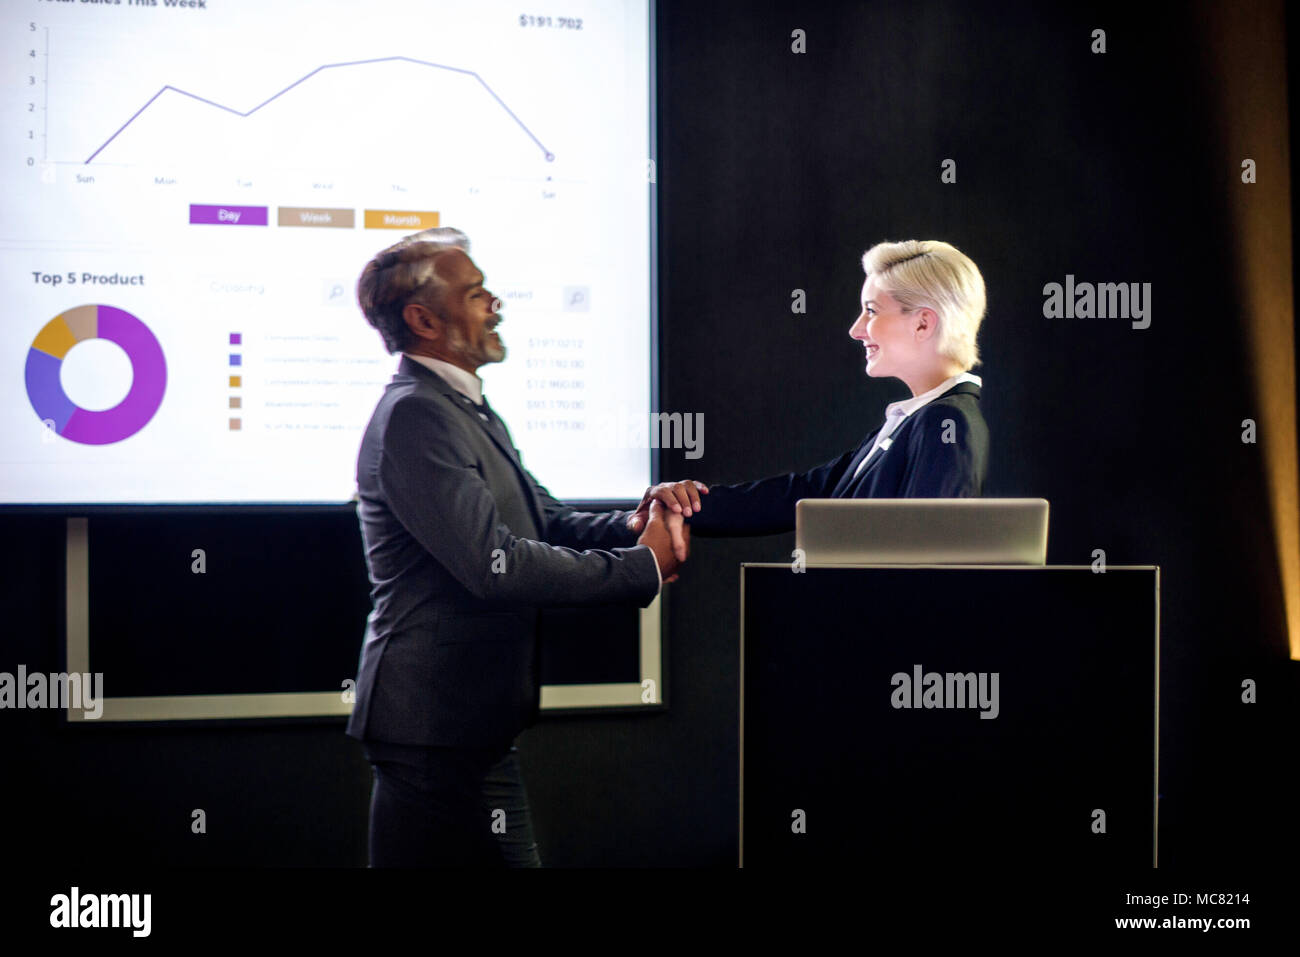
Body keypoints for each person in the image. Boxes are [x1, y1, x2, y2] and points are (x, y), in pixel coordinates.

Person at [347, 236, 688, 867]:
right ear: (423, 319)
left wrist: (640, 521)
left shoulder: (463, 408)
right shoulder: (416, 415)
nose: (496, 305)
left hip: (462, 727)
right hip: (434, 729)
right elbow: (493, 564)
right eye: (476, 294)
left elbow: (546, 520)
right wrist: (640, 565)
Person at [627, 240, 989, 535]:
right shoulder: (914, 420)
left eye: (872, 311)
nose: (856, 329)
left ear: (924, 324)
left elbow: (925, 563)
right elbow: (802, 494)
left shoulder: (945, 422)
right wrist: (683, 502)